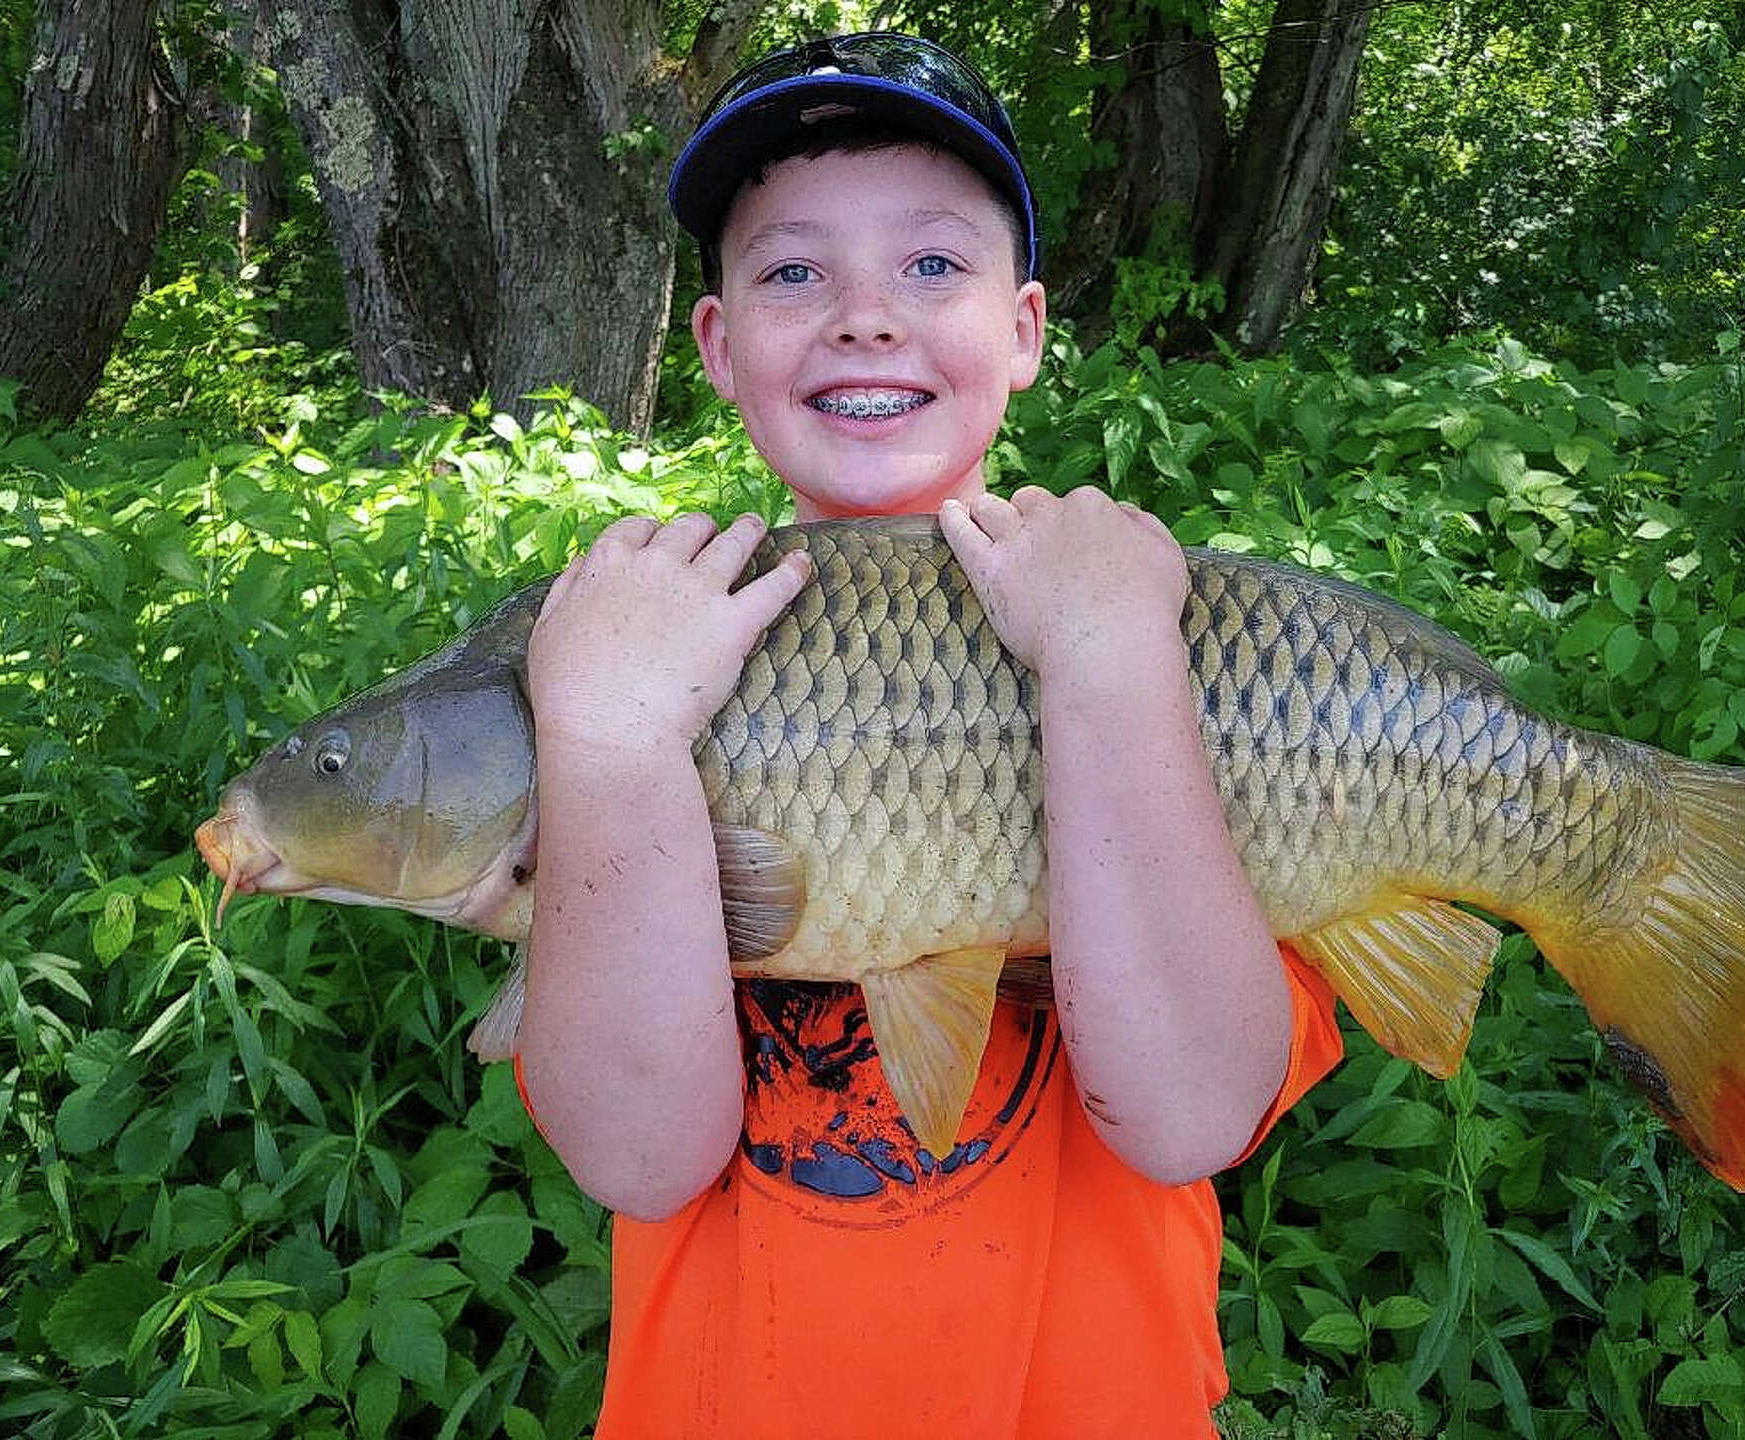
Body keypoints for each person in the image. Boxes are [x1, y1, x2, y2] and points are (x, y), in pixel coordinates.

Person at [512, 32, 1344, 1438]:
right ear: (715, 342)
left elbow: (1192, 1110)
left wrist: (1110, 664)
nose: (864, 317)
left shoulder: (1174, 633)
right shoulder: (628, 654)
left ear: (1023, 328)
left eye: (932, 265)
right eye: (791, 270)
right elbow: (640, 1158)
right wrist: (597, 744)